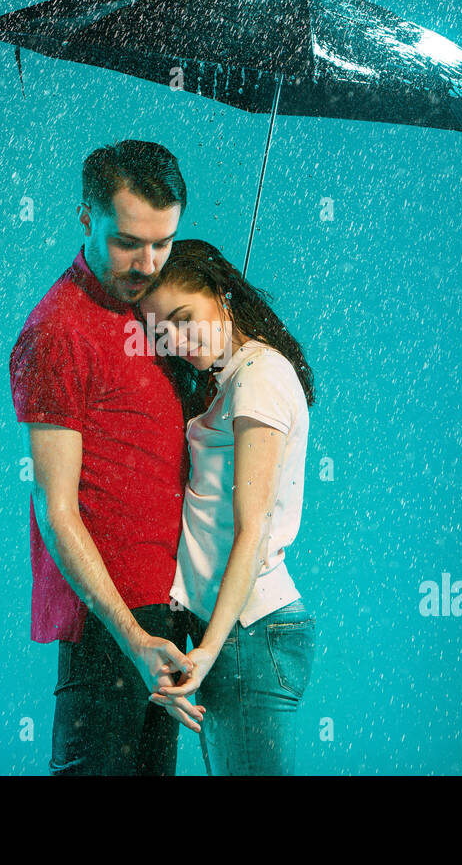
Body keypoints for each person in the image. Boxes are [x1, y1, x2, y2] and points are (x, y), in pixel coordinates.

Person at [9, 139, 205, 775]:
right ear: (86, 216)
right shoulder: (57, 332)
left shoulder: (157, 313)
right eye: (127, 242)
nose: (147, 262)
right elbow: (56, 510)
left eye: (163, 242)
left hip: (168, 614)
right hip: (110, 627)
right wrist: (134, 639)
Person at [137, 239, 317, 775]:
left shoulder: (258, 377)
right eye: (161, 331)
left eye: (183, 317)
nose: (175, 338)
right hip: (237, 632)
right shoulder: (234, 377)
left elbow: (252, 529)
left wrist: (209, 649)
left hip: (247, 632)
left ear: (220, 293)